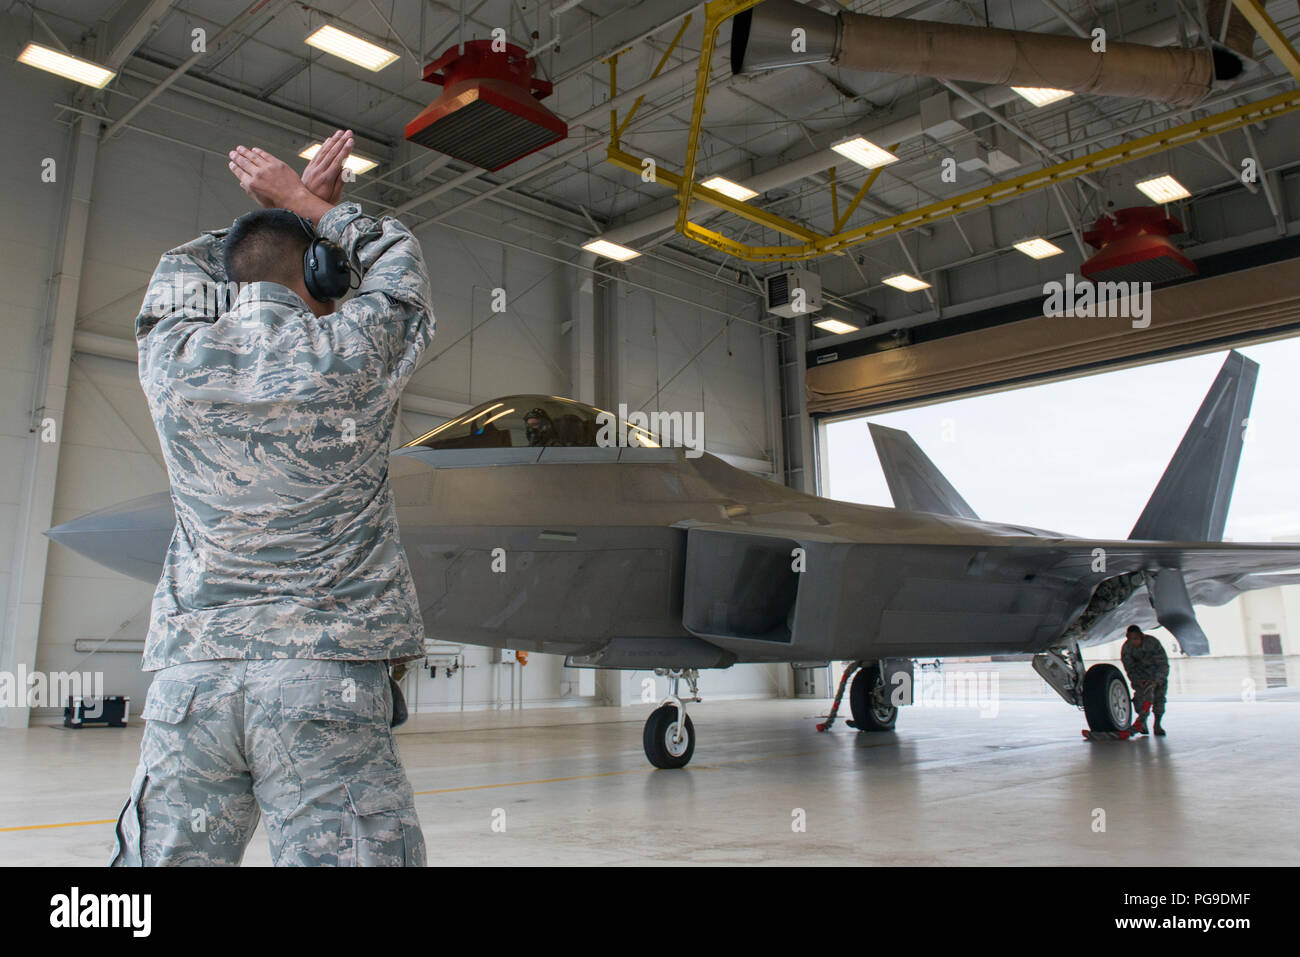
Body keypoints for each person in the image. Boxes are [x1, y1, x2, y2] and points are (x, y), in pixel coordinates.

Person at [109, 130, 433, 866]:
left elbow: (182, 271)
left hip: (191, 686)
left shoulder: (172, 360)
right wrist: (306, 203)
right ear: (319, 278)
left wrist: (266, 217)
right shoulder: (352, 352)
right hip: (324, 681)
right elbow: (400, 260)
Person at [1121, 624, 1169, 736]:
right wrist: (1137, 680)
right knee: (1139, 700)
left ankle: (1157, 724)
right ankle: (1142, 724)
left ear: (1141, 636)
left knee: (1159, 700)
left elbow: (1162, 664)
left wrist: (1157, 681)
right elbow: (1129, 668)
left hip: (1156, 675)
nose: (1134, 642)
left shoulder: (1152, 643)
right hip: (1140, 677)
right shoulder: (1127, 649)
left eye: (1136, 639)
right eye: (1130, 639)